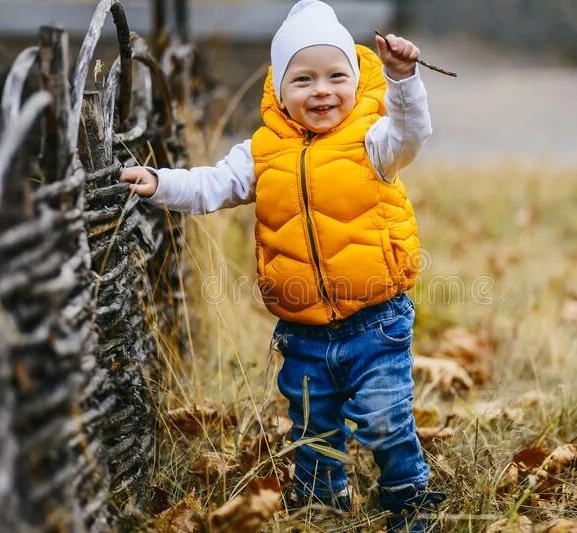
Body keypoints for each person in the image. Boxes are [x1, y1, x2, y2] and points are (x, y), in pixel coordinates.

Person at [120, 0, 445, 529]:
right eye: (304, 79)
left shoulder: (373, 141)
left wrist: (403, 79)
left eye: (337, 75)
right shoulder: (261, 152)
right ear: (278, 88)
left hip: (376, 320)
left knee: (384, 419)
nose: (322, 90)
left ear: (356, 76)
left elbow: (412, 134)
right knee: (313, 426)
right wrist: (161, 184)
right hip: (302, 329)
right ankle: (322, 501)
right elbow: (211, 185)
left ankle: (408, 496)